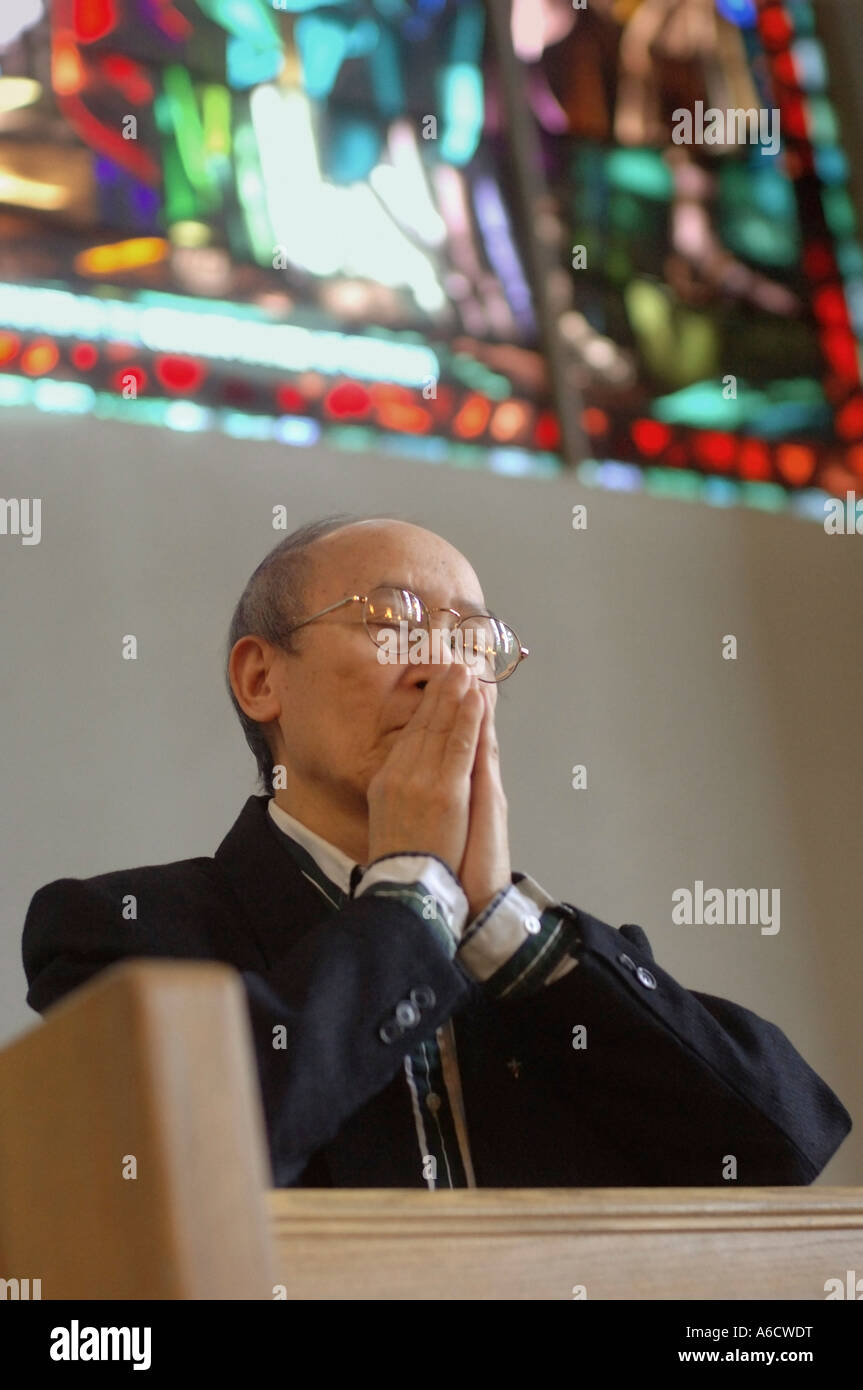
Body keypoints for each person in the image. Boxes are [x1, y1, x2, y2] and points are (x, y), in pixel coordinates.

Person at [22, 514, 851, 1188]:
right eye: (391, 622)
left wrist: (499, 922)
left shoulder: (550, 967)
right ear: (260, 680)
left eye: (475, 641)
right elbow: (188, 1162)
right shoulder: (117, 929)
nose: (443, 669)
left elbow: (782, 1147)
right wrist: (411, 898)